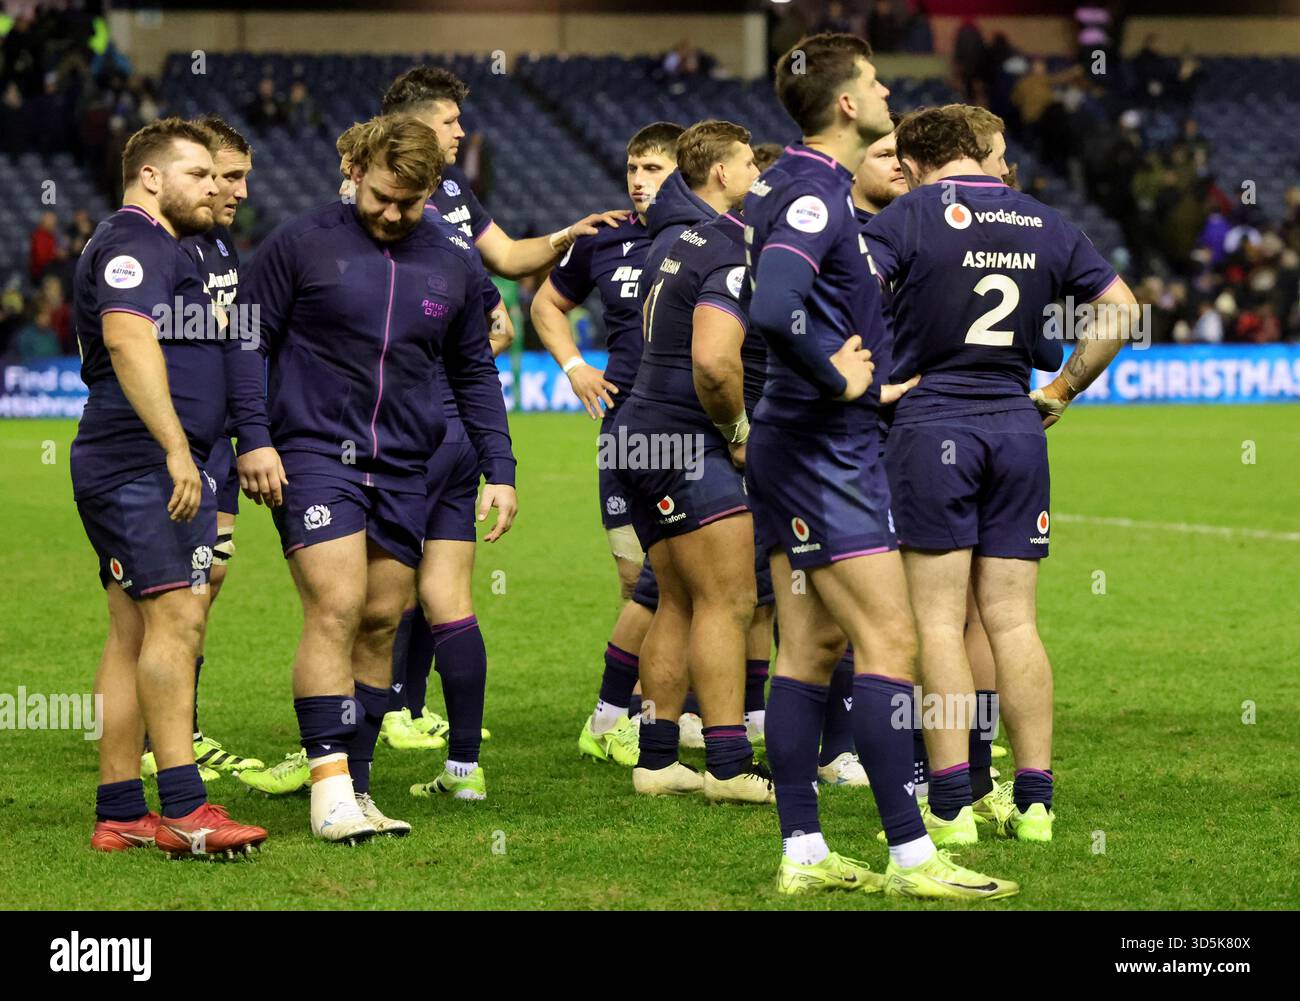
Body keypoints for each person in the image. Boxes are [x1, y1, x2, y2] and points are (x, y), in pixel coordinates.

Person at [744, 33, 1016, 898]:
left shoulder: (789, 185)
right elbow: (774, 306)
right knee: (890, 640)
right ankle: (911, 853)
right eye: (876, 81)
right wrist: (838, 375)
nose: (891, 91)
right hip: (826, 450)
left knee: (813, 644)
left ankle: (805, 852)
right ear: (849, 104)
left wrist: (864, 380)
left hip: (801, 441)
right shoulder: (818, 197)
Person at [226, 114, 515, 844]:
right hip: (314, 452)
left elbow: (475, 369)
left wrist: (501, 468)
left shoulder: (451, 257)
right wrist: (253, 437)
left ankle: (356, 786)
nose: (391, 214)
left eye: (408, 203)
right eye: (382, 196)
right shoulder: (300, 241)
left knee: (384, 617)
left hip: (406, 463)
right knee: (339, 602)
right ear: (354, 168)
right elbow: (244, 336)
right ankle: (327, 784)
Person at [865, 105, 1135, 846]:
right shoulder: (1045, 221)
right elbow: (1121, 309)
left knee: (940, 622)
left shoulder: (907, 216)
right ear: (977, 150)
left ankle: (951, 806)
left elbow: (842, 293)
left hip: (930, 426)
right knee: (1014, 620)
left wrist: (869, 382)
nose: (1004, 160)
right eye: (1001, 149)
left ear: (916, 160)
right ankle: (1036, 802)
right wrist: (1061, 390)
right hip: (1018, 426)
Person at [74, 118, 267, 856]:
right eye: (198, 175)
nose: (215, 188)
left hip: (126, 461)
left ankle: (121, 809)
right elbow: (127, 337)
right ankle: (186, 807)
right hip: (140, 464)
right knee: (179, 621)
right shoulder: (135, 242)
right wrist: (177, 449)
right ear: (151, 176)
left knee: (132, 634)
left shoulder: (157, 244)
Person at [611, 120, 773, 801]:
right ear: (721, 174)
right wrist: (736, 429)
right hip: (690, 437)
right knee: (728, 599)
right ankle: (730, 767)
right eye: (747, 165)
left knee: (674, 598)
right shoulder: (730, 247)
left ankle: (656, 757)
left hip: (639, 434)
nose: (757, 179)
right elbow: (713, 360)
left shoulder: (674, 240)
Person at [530, 122, 681, 766]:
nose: (639, 180)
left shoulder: (711, 238)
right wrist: (574, 368)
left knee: (680, 582)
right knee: (639, 581)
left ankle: (646, 712)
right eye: (633, 168)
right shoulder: (603, 237)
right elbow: (545, 306)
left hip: (692, 430)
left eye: (653, 168)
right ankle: (634, 716)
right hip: (625, 433)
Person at [143, 114, 265, 780]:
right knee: (169, 594)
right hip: (173, 446)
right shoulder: (163, 248)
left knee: (204, 584)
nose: (240, 191)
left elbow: (239, 338)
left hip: (216, 446)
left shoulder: (220, 249)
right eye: (229, 175)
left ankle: (177, 725)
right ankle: (162, 738)